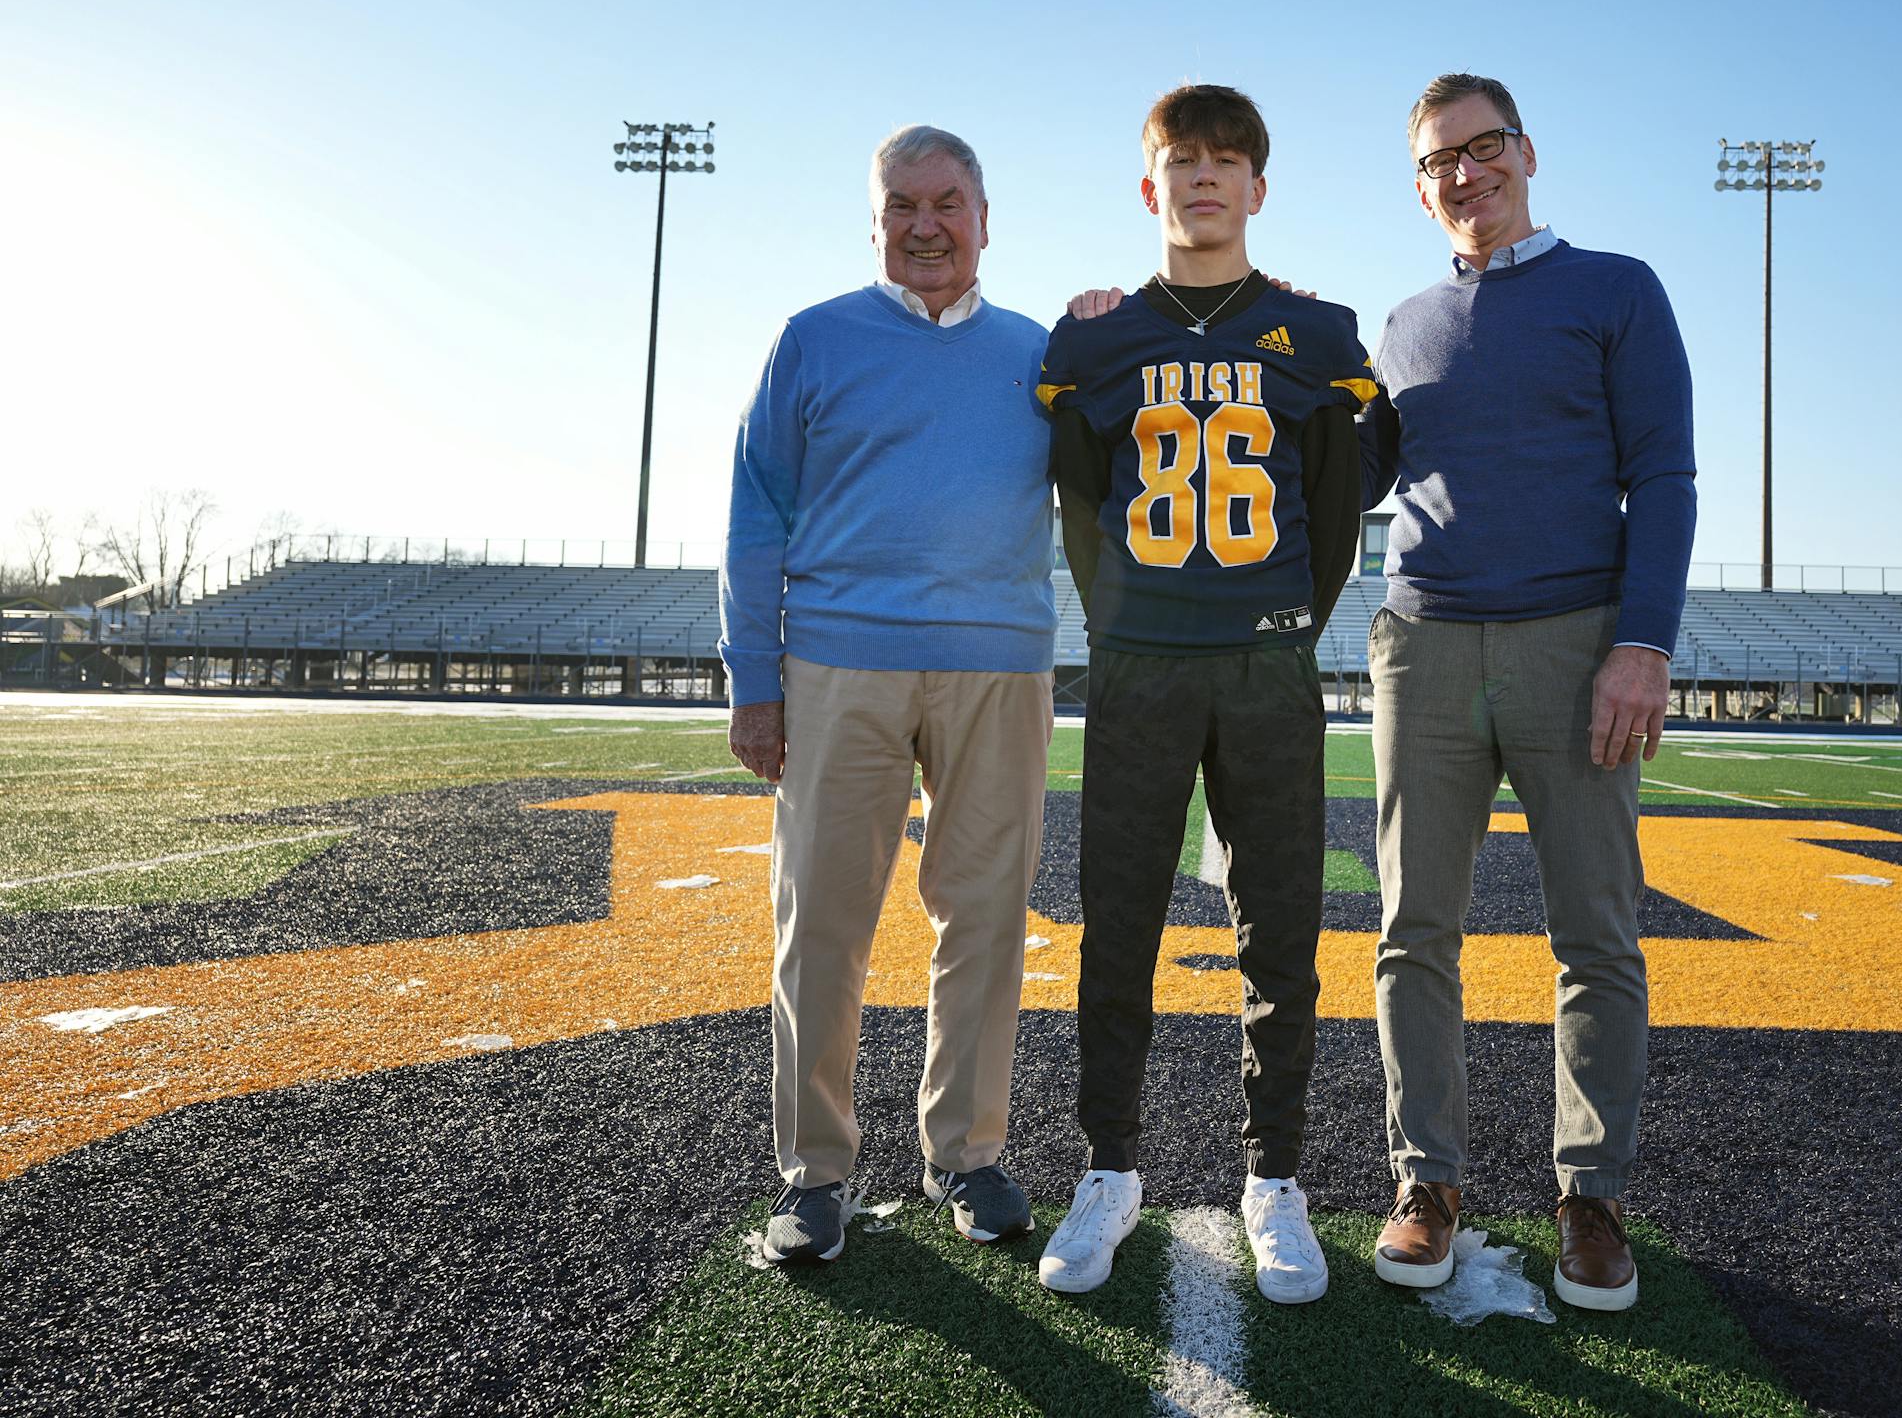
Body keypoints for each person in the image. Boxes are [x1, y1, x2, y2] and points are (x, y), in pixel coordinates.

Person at [1359, 74, 1697, 1313]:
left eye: (1482, 145)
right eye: (1439, 159)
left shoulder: (1617, 287)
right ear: (1420, 184)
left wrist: (1642, 642)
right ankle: (1426, 1180)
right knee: (1413, 932)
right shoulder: (1398, 324)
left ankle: (1591, 1192)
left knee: (1595, 930)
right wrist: (1281, 361)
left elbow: (1663, 471)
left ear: (1527, 151)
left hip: (1577, 640)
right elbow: (1349, 484)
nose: (1464, 172)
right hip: (1426, 641)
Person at [1035, 84, 1375, 1305]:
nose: (1205, 180)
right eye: (1183, 162)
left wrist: (1282, 623)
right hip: (1141, 663)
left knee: (1281, 928)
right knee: (1116, 920)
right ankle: (1108, 1167)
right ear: (1151, 187)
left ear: (1258, 188)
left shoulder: (1320, 335)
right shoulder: (1090, 338)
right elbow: (1078, 500)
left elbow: (1336, 511)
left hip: (1268, 663)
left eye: (1228, 163)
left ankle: (1273, 1175)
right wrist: (1130, 618)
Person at [719, 125, 1055, 1264]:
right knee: (822, 922)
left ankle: (967, 1150)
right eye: (902, 204)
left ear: (985, 216)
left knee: (988, 916)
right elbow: (755, 513)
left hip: (999, 664)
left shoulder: (1039, 353)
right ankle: (815, 1171)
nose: (926, 224)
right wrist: (753, 680)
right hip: (836, 663)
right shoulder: (811, 340)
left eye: (947, 202)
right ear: (874, 219)